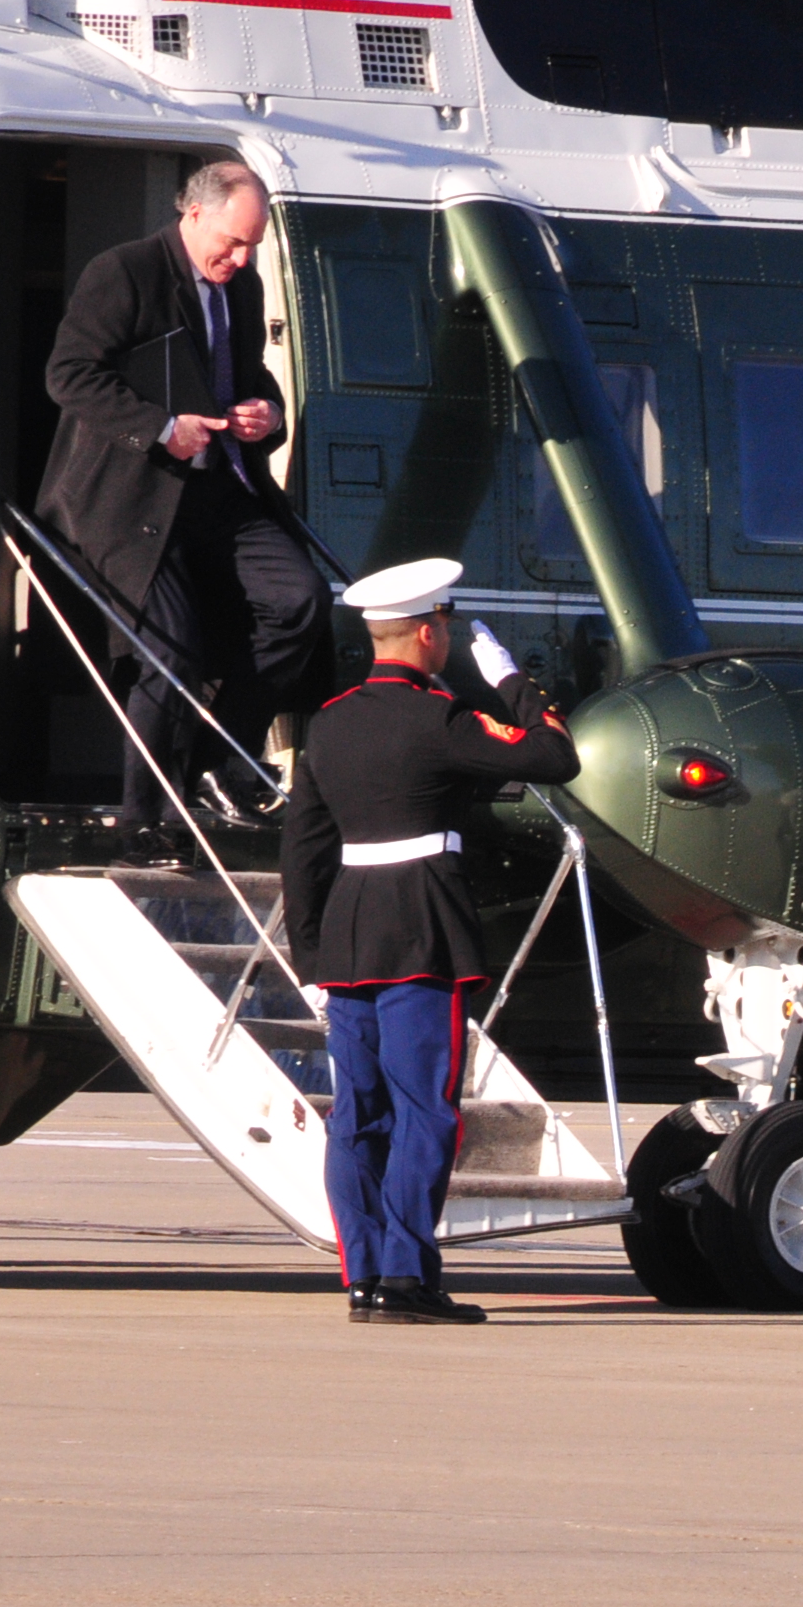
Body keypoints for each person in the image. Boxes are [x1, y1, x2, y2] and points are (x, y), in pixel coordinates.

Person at [280, 558, 580, 1325]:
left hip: (347, 938)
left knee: (359, 1114)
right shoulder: (437, 716)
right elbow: (553, 757)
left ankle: (363, 1277)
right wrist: (512, 684)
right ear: (426, 631)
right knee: (427, 1110)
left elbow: (305, 849)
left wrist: (311, 956)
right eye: (442, 626)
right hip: (420, 930)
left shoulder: (331, 720)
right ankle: (408, 1279)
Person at [40, 160, 331, 866]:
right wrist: (160, 426)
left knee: (301, 601)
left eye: (251, 246)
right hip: (132, 494)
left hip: (218, 489)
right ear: (192, 214)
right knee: (168, 650)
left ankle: (212, 757)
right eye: (230, 243)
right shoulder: (125, 271)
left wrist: (269, 413)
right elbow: (69, 375)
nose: (239, 258)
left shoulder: (244, 285)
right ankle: (141, 816)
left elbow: (250, 379)